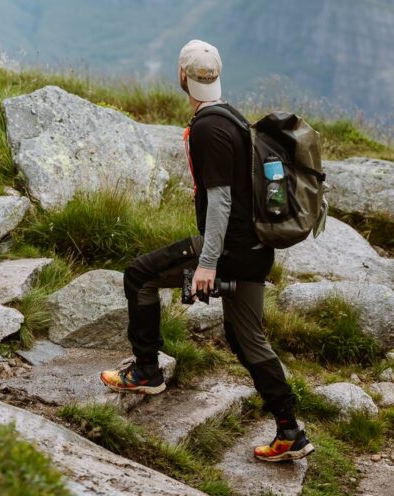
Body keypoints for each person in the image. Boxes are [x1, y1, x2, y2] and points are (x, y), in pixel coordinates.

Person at [100, 39, 314, 462]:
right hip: (255, 249)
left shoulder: (206, 128)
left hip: (228, 249)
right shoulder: (231, 116)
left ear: (182, 76)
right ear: (217, 75)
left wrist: (207, 263)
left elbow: (221, 201)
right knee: (248, 340)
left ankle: (146, 371)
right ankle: (290, 430)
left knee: (139, 276)